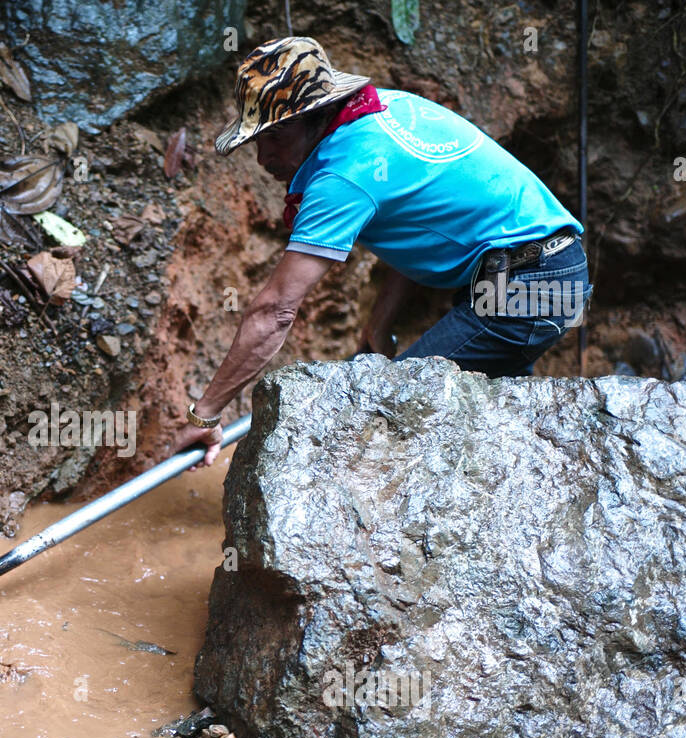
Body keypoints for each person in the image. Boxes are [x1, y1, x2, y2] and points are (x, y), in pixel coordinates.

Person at [172, 36, 593, 467]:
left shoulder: (344, 174)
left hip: (527, 285)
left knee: (388, 415)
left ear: (315, 116)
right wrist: (379, 325)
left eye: (275, 134)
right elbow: (420, 229)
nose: (263, 156)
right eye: (257, 139)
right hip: (538, 274)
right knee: (474, 421)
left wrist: (204, 415)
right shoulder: (382, 111)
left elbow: (275, 311)